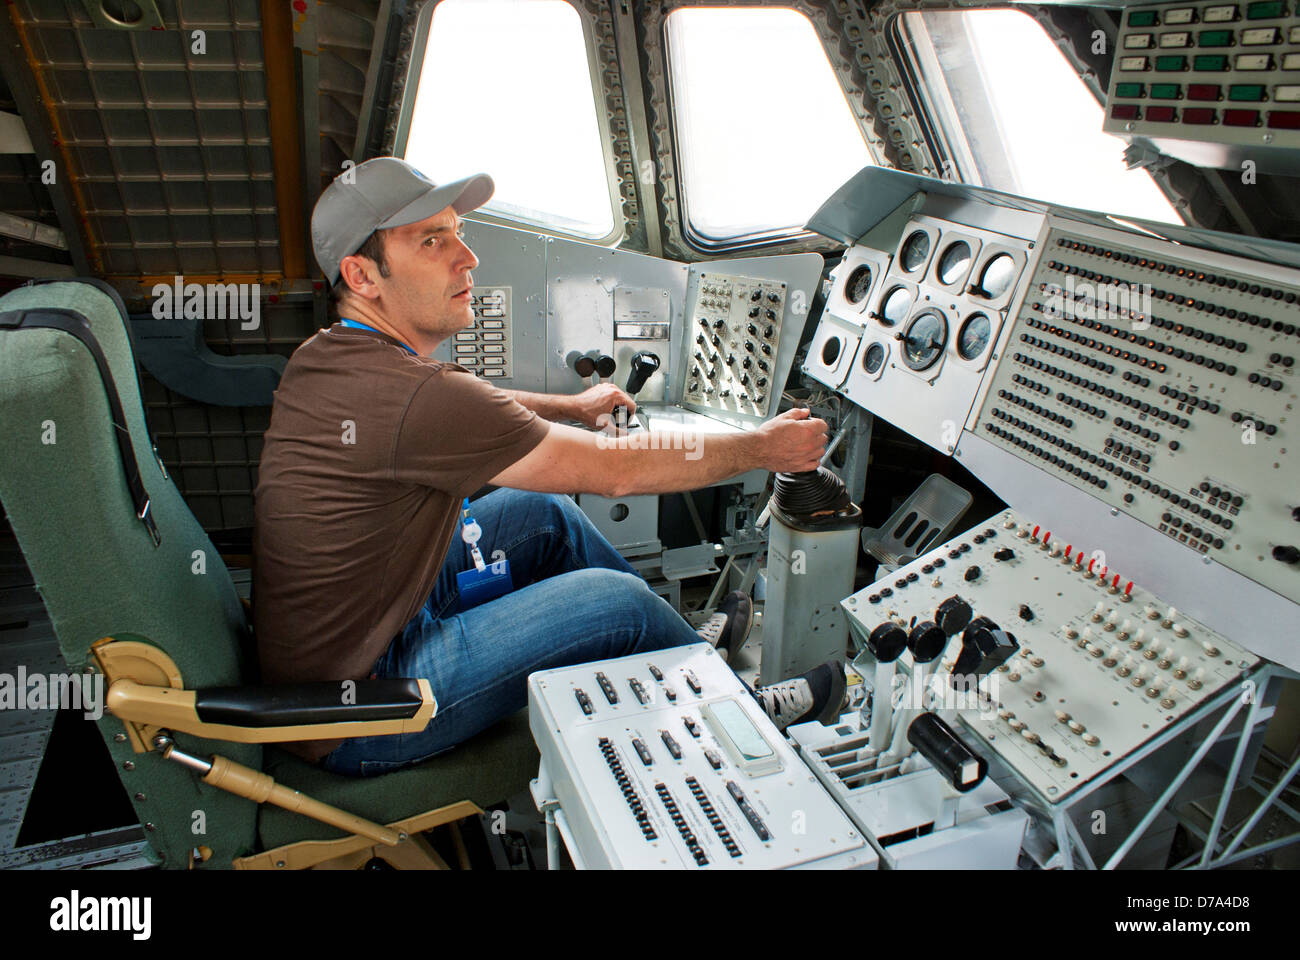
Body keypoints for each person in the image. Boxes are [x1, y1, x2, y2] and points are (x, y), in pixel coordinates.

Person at [253, 158, 846, 777]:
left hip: (366, 632)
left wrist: (570, 405)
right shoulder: (410, 393)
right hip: (363, 707)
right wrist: (763, 449)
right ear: (362, 275)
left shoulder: (333, 355)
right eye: (432, 240)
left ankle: (686, 650)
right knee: (618, 605)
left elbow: (464, 404)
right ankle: (736, 714)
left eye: (458, 231)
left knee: (543, 518)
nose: (466, 257)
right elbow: (614, 473)